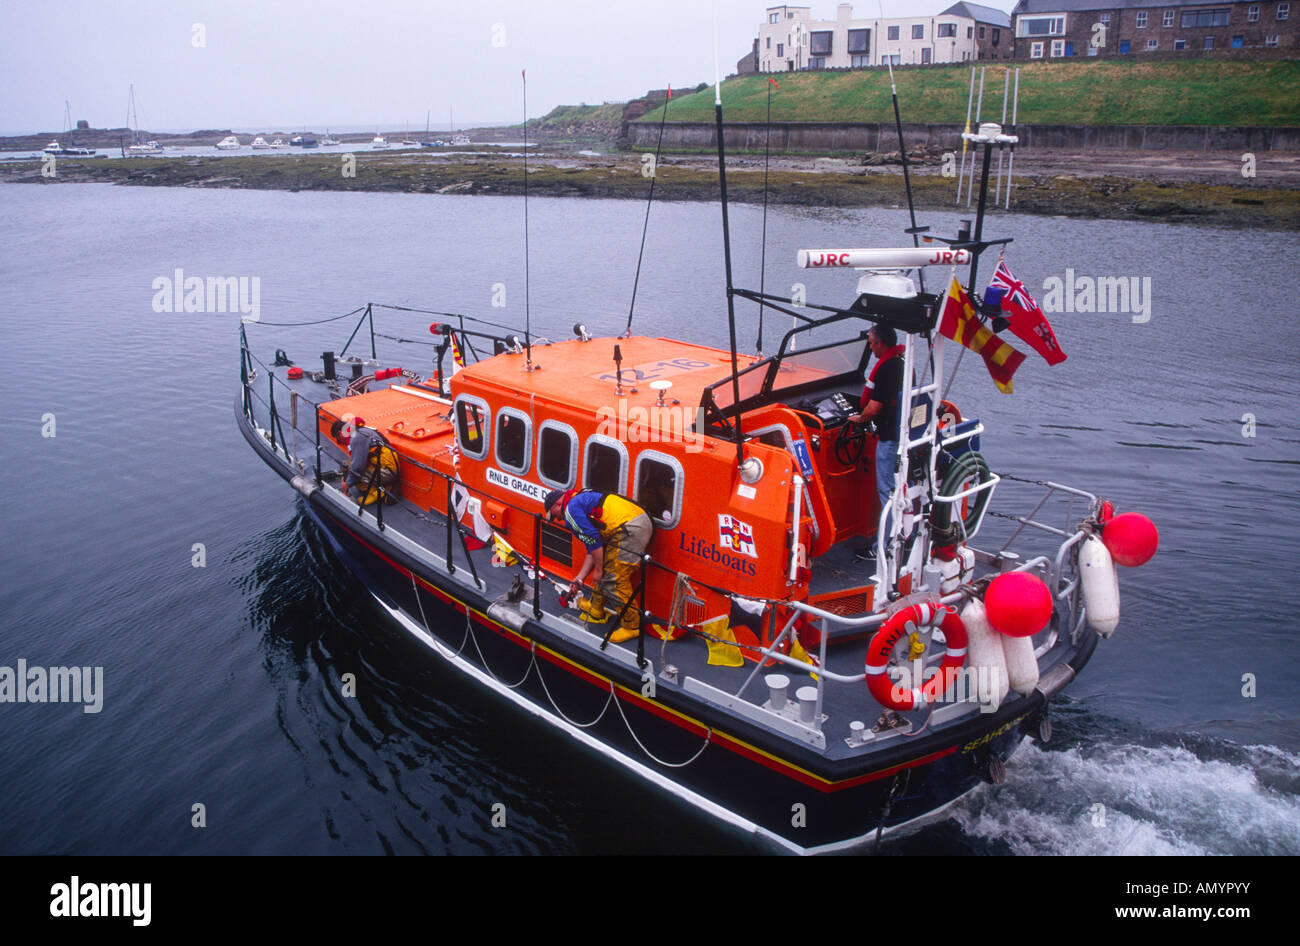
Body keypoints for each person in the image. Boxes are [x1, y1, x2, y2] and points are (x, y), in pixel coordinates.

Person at [545, 487, 653, 643]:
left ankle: (632, 625)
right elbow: (593, 549)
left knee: (613, 578)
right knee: (604, 566)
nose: (557, 520)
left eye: (553, 515)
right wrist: (580, 578)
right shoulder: (578, 498)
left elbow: (593, 540)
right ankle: (595, 607)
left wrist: (598, 569)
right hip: (629, 523)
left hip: (630, 528)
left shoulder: (570, 512)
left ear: (557, 504)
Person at [848, 325, 906, 553]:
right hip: (901, 435)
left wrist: (858, 419)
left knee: (888, 493)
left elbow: (873, 409)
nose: (870, 348)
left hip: (889, 439)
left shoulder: (886, 369)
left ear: (881, 344)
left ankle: (885, 547)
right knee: (898, 490)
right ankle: (900, 538)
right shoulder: (902, 364)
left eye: (872, 343)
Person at [330, 418, 397, 503]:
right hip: (384, 466)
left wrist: (347, 483)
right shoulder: (360, 431)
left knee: (347, 466)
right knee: (350, 466)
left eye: (338, 439)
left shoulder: (356, 437)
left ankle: (379, 492)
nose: (339, 442)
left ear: (340, 433)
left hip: (386, 471)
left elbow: (358, 466)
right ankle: (372, 488)